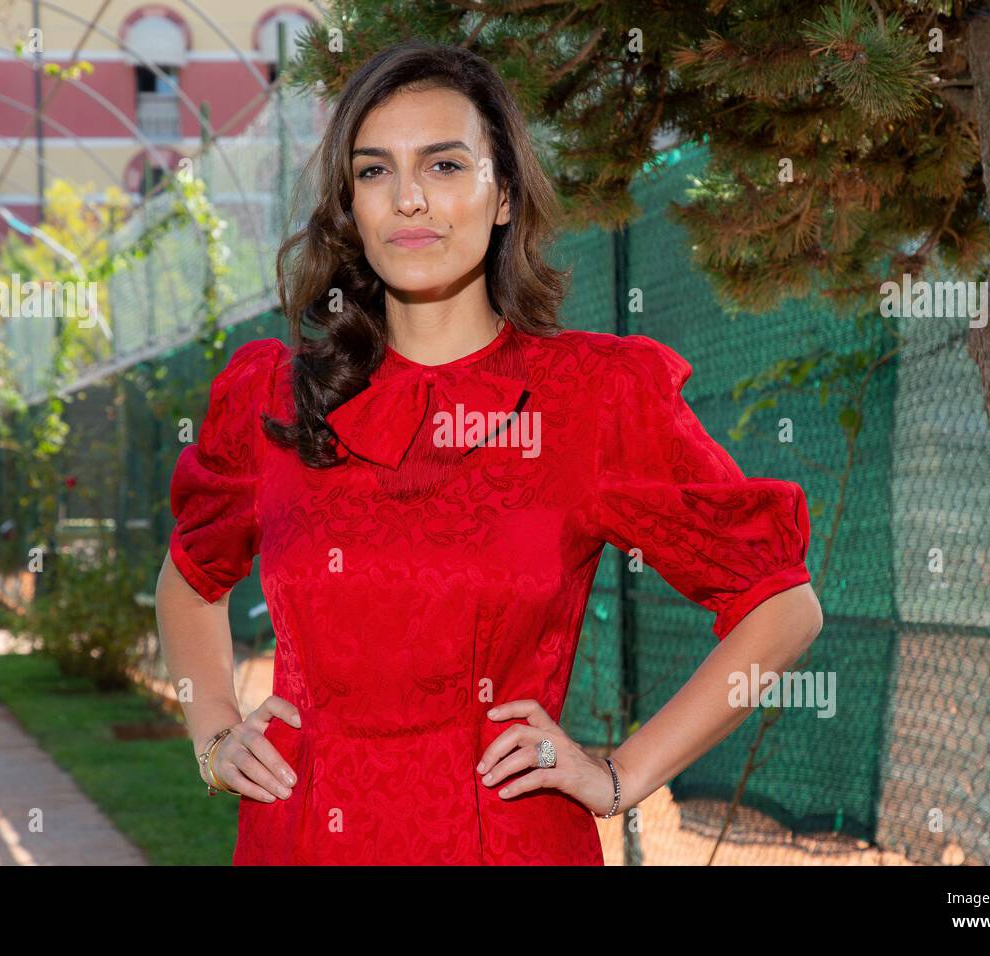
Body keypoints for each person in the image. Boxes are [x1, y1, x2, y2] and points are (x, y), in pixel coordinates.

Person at [154, 41, 823, 866]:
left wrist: (621, 776)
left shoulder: (592, 397)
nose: (406, 198)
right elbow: (190, 579)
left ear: (502, 195)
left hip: (508, 843)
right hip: (302, 838)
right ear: (350, 205)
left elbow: (782, 606)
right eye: (373, 172)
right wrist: (214, 733)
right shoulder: (273, 398)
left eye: (443, 165)